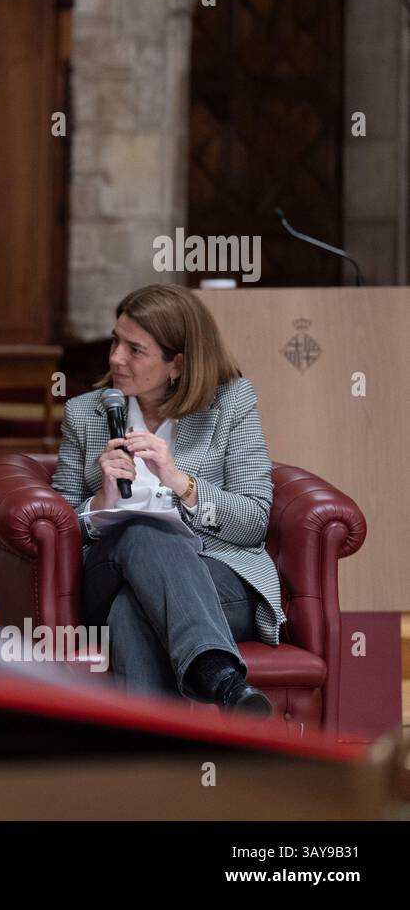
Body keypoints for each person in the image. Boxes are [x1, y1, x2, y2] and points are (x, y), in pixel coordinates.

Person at [51, 284, 283, 715]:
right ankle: (220, 677)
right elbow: (59, 524)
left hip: (215, 579)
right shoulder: (85, 413)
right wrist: (101, 501)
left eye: (135, 350)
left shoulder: (231, 404)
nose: (115, 358)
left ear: (178, 364)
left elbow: (253, 521)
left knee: (131, 613)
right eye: (116, 342)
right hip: (108, 571)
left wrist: (181, 483)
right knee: (143, 530)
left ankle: (161, 751)